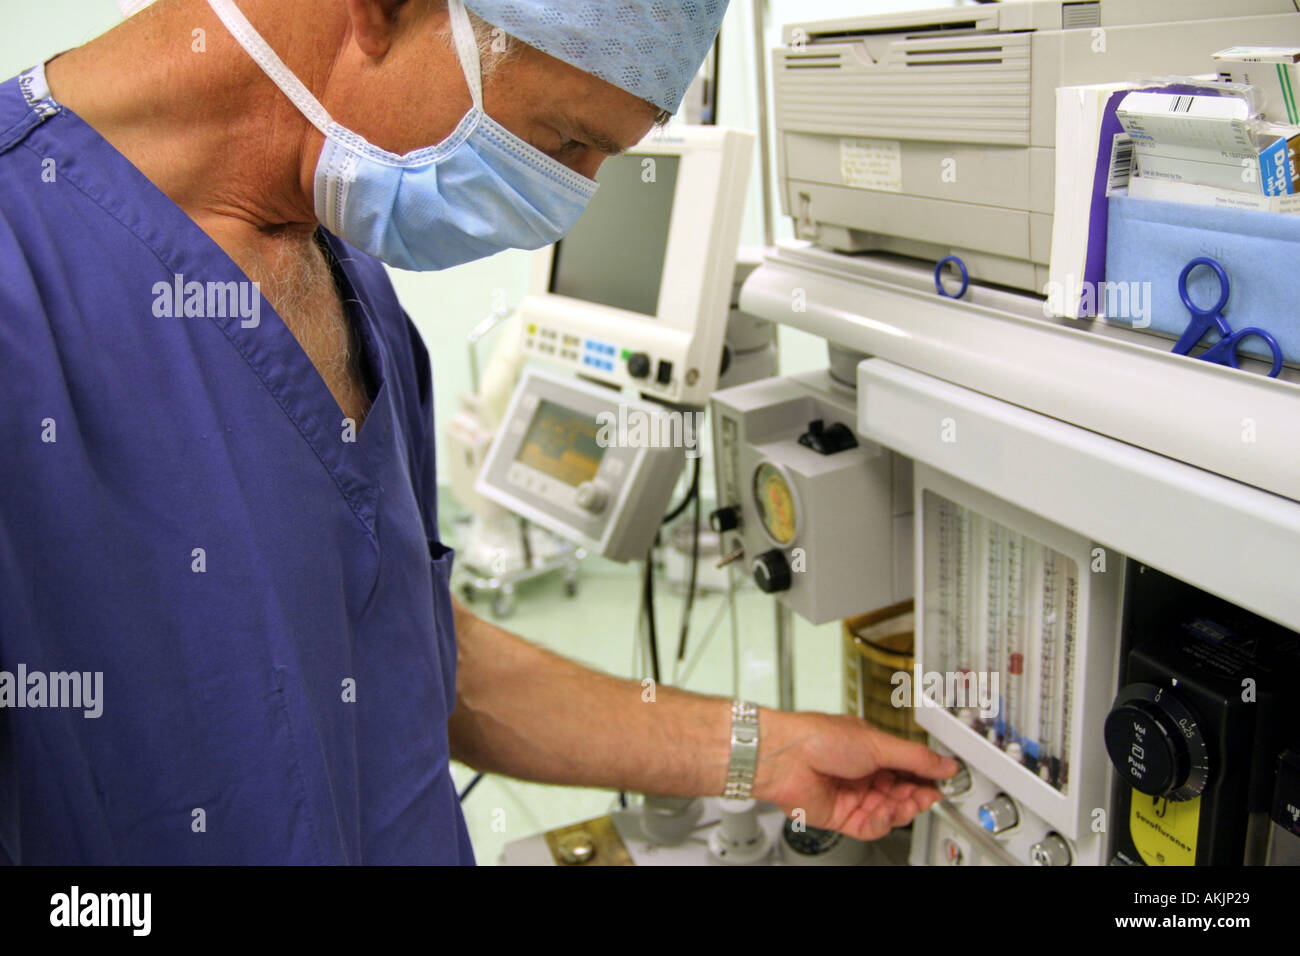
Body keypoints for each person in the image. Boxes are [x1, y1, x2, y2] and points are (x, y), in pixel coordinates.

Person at [0, 0, 956, 864]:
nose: (563, 208)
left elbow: (416, 660)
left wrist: (771, 752)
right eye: (565, 137)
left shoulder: (355, 291)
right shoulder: (24, 283)